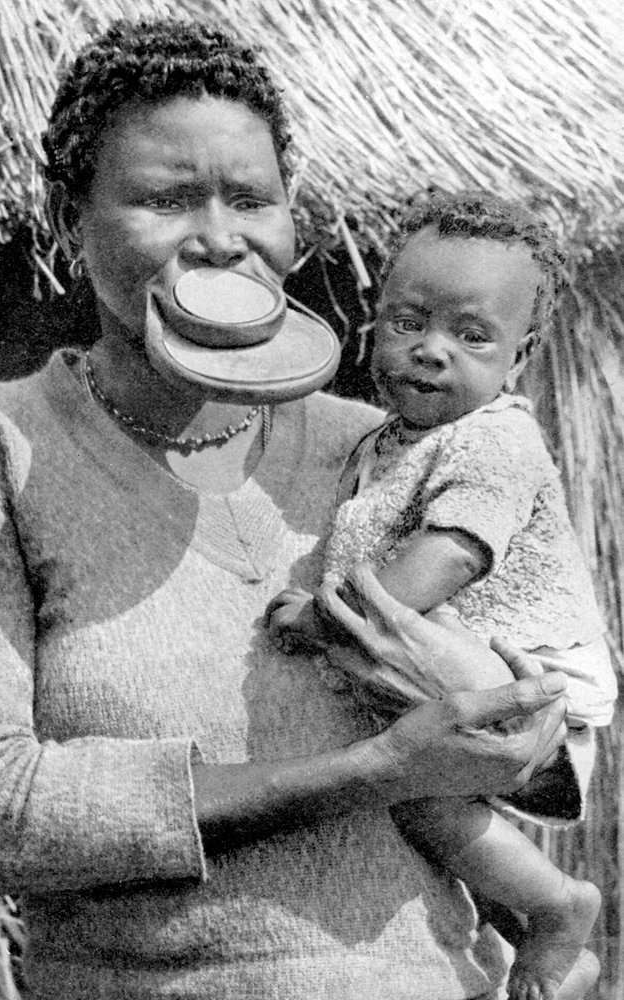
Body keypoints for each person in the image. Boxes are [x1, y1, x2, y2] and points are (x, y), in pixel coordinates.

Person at [0, 19, 594, 1000]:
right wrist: (370, 768)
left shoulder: (385, 447)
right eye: (168, 199)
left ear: (290, 219)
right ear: (66, 219)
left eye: (250, 199)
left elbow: (543, 740)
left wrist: (526, 738)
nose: (220, 236)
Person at [267, 192, 617, 1000]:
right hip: (455, 673)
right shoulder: (386, 441)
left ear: (519, 357)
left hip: (527, 680)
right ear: (372, 321)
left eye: (470, 335)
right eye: (407, 323)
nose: (430, 351)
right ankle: (535, 949)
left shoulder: (499, 438)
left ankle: (560, 906)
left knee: (419, 800)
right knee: (419, 814)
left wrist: (329, 619)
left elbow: (455, 552)